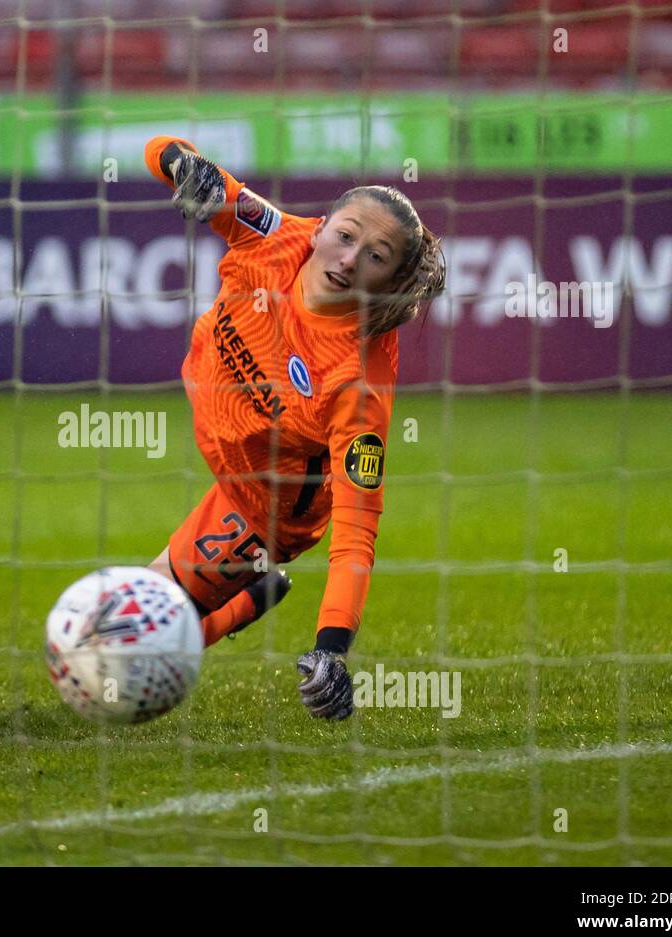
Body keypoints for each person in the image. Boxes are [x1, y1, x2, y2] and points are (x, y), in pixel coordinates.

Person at [143, 135, 446, 721]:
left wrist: (332, 650)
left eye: (376, 257)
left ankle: (240, 602)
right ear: (320, 227)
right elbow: (160, 149)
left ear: (387, 282)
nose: (350, 259)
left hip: (265, 502)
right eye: (346, 235)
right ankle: (249, 591)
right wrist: (187, 168)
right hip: (219, 427)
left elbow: (357, 532)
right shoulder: (271, 233)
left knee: (134, 642)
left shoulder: (358, 382)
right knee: (138, 628)